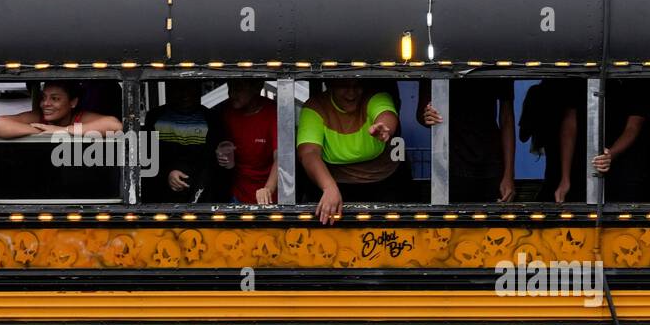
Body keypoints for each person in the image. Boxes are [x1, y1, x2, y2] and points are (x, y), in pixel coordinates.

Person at [299, 79, 403, 224]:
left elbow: (386, 112)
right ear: (330, 85)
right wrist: (328, 187)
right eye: (343, 86)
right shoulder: (315, 106)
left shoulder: (375, 96)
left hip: (383, 178)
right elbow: (309, 152)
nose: (351, 93)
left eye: (357, 86)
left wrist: (384, 127)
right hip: (332, 180)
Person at [417, 80, 515, 202]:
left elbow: (507, 118)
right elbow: (422, 113)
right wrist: (427, 115)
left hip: (490, 161)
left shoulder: (496, 65)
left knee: (492, 218)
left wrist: (508, 175)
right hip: (450, 161)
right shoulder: (436, 65)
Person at [591, 81, 650, 203]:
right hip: (608, 165)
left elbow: (633, 127)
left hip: (641, 164)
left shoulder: (639, 81)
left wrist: (609, 155)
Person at [141, 81, 219, 203]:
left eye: (190, 88)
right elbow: (146, 158)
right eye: (179, 88)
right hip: (160, 197)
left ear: (198, 90)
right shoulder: (155, 117)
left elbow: (211, 162)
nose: (185, 95)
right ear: (170, 89)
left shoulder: (211, 118)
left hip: (201, 196)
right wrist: (167, 174)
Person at [521, 79, 588, 203]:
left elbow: (523, 135)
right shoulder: (538, 93)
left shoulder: (537, 93)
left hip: (560, 163)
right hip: (577, 163)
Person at [215, 79, 278, 206]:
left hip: (270, 196)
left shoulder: (273, 112)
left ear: (257, 87)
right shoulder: (225, 111)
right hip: (236, 194)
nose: (231, 94)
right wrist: (220, 155)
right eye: (229, 87)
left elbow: (281, 156)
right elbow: (218, 145)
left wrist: (268, 189)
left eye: (238, 89)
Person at [0, 82, 122, 138]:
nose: (46, 104)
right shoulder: (38, 117)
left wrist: (63, 131)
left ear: (73, 102)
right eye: (44, 98)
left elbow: (114, 125)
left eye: (55, 99)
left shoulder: (79, 117)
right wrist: (44, 131)